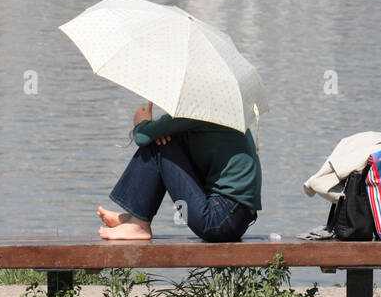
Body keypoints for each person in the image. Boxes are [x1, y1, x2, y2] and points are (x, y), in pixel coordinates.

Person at [97, 102, 261, 242]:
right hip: (232, 218)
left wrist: (141, 122)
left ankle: (138, 224)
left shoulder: (198, 108)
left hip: (219, 219)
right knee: (165, 140)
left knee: (158, 145)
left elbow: (142, 136)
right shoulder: (220, 109)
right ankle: (135, 217)